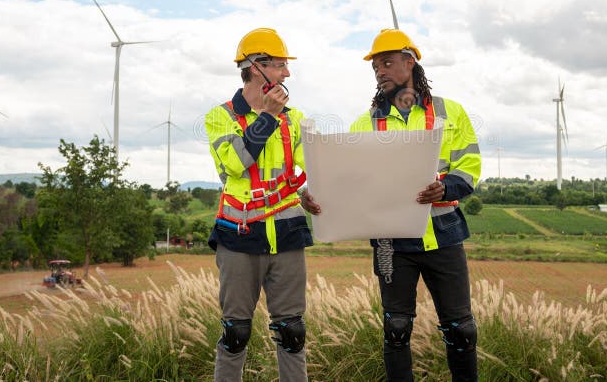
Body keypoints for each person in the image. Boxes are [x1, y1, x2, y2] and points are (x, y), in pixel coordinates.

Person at [318, 27, 481, 381]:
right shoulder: (366, 123)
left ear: (410, 62)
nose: (380, 71)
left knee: (461, 330)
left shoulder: (450, 111)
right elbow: (349, 180)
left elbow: (470, 169)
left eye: (388, 63)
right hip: (391, 241)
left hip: (444, 236)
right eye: (376, 66)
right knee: (396, 328)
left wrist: (444, 186)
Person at [205, 27, 315, 382]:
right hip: (239, 237)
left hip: (287, 234)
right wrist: (266, 116)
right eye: (280, 65)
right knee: (235, 333)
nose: (287, 73)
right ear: (256, 67)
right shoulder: (220, 116)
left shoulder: (294, 118)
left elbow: (314, 164)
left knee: (292, 333)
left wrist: (319, 191)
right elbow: (236, 163)